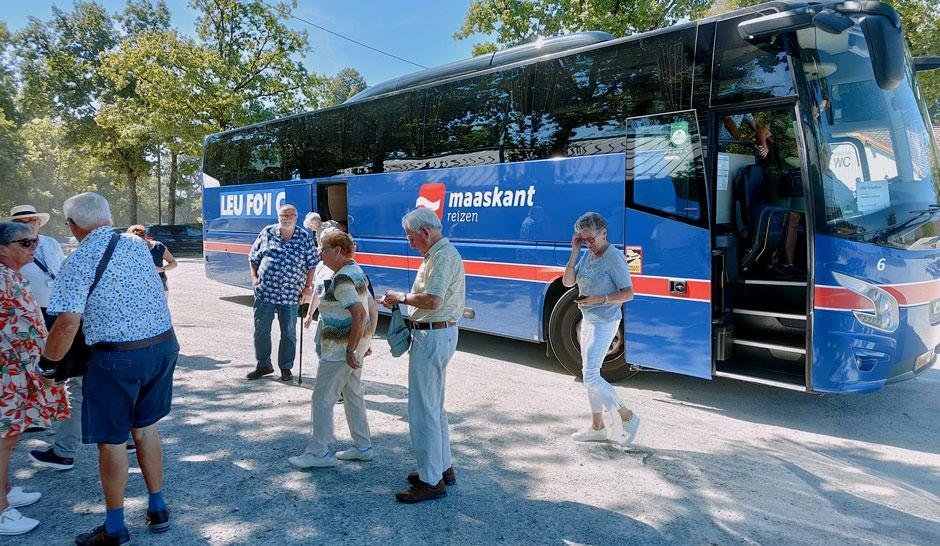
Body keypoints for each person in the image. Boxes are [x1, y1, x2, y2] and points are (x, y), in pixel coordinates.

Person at [40, 192, 178, 545]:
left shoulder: (79, 259)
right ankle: (158, 508)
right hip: (162, 346)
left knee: (112, 441)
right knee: (146, 428)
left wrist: (47, 364)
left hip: (117, 357)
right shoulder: (135, 243)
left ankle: (115, 528)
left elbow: (67, 324)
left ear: (73, 226)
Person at [380, 207, 465, 504]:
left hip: (432, 335)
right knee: (434, 407)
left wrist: (400, 297)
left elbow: (433, 299)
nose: (410, 243)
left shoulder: (441, 256)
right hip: (438, 333)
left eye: (411, 237)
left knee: (423, 409)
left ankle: (431, 480)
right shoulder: (443, 254)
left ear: (425, 233)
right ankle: (442, 468)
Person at [0, 221, 70, 535]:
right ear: (3, 249)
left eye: (35, 241)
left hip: (14, 373)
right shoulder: (3, 280)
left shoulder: (11, 276)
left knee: (10, 437)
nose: (34, 247)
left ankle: (6, 491)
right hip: (7, 374)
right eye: (26, 243)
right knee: (4, 441)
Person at [288, 230, 378, 469]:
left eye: (324, 249)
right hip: (352, 347)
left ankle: (319, 452)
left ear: (338, 251)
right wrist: (364, 343)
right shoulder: (355, 270)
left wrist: (351, 349)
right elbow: (370, 307)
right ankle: (362, 446)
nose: (320, 253)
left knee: (322, 397)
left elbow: (359, 313)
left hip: (340, 350)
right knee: (352, 394)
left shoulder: (342, 278)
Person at [562, 212, 638, 445]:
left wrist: (599, 299)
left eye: (591, 239)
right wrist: (575, 253)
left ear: (604, 233)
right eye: (584, 240)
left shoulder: (614, 257)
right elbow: (568, 282)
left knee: (591, 375)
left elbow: (628, 293)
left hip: (605, 322)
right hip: (588, 319)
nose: (588, 244)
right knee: (588, 374)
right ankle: (597, 427)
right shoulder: (587, 255)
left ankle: (626, 416)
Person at [246, 204, 319, 382]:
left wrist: (308, 287)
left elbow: (312, 264)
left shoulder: (304, 237)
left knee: (288, 332)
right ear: (278, 217)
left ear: (296, 217)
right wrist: (254, 278)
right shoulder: (267, 232)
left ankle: (286, 367)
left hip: (291, 293)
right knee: (261, 330)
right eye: (283, 215)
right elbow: (252, 257)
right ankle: (263, 365)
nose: (286, 218)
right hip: (265, 292)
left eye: (290, 215)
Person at [127, 225, 177, 293]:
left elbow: (173, 263)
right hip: (137, 286)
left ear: (145, 236)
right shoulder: (129, 249)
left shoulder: (158, 247)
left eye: (140, 240)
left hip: (159, 284)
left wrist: (161, 269)